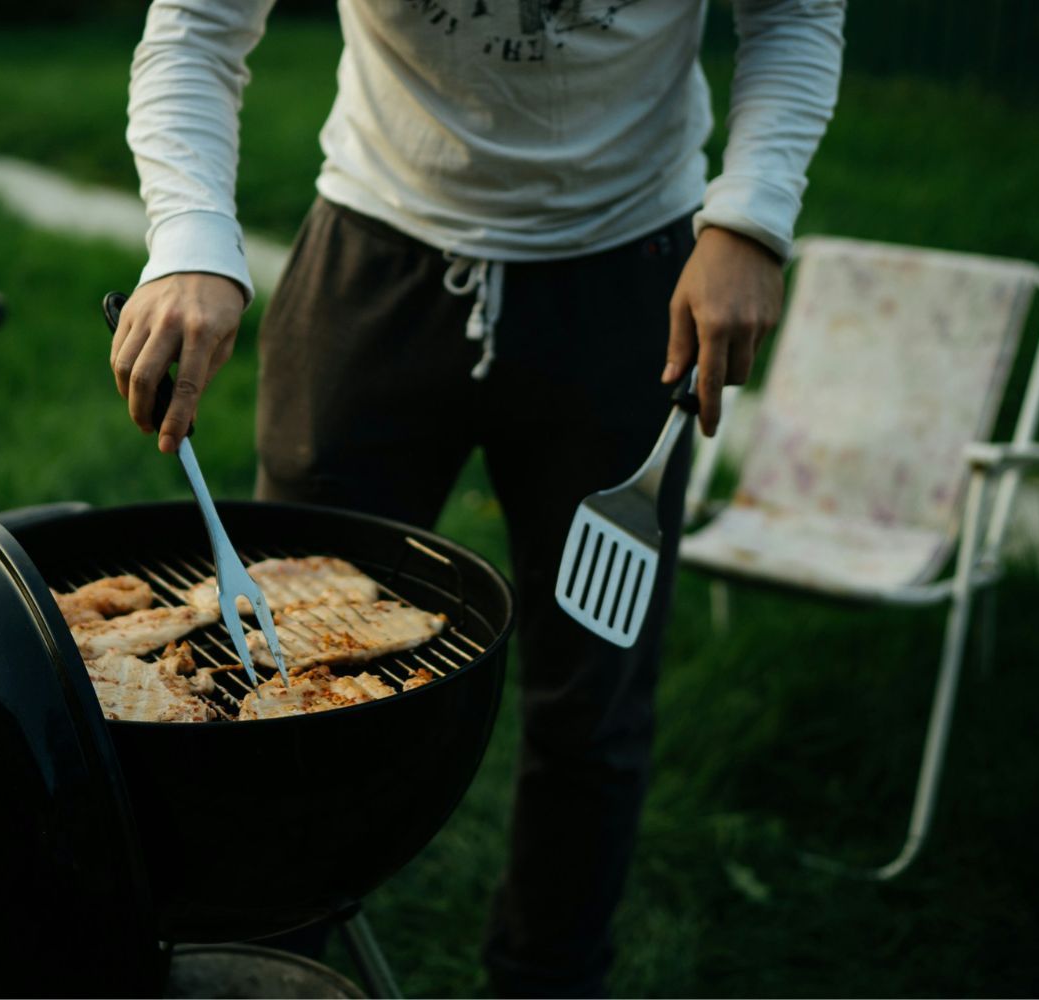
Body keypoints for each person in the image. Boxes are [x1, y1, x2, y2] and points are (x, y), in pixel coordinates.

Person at [110, 0, 844, 993]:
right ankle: (273, 972)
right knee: (271, 679)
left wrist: (750, 219)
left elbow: (793, 13)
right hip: (374, 261)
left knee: (595, 700)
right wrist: (192, 240)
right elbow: (196, 26)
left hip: (626, 273)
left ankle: (549, 978)